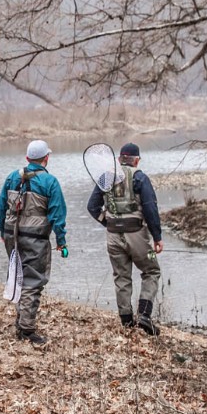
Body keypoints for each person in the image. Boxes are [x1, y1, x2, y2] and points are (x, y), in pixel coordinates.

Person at [0, 139, 68, 345]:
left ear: (28, 158)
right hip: (35, 237)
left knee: (18, 276)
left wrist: (1, 230)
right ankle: (26, 329)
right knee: (33, 281)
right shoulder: (50, 182)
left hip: (11, 234)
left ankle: (21, 321)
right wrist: (61, 241)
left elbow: (1, 206)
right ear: (47, 158)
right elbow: (57, 216)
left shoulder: (12, 177)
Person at [87, 142, 163, 335]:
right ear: (136, 160)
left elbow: (92, 206)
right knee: (151, 271)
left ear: (119, 159)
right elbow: (150, 209)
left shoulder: (106, 177)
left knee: (121, 276)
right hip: (137, 235)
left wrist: (109, 223)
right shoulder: (140, 178)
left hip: (113, 236)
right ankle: (144, 315)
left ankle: (127, 322)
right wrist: (157, 237)